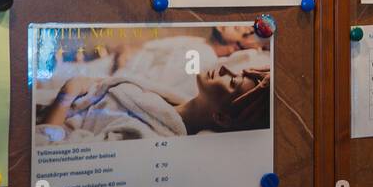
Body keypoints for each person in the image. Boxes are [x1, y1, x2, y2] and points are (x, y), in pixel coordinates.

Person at [37, 64, 271, 143]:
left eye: (232, 81)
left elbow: (51, 155)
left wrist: (68, 94)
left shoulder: (145, 136)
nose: (224, 68)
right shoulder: (167, 98)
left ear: (221, 118)